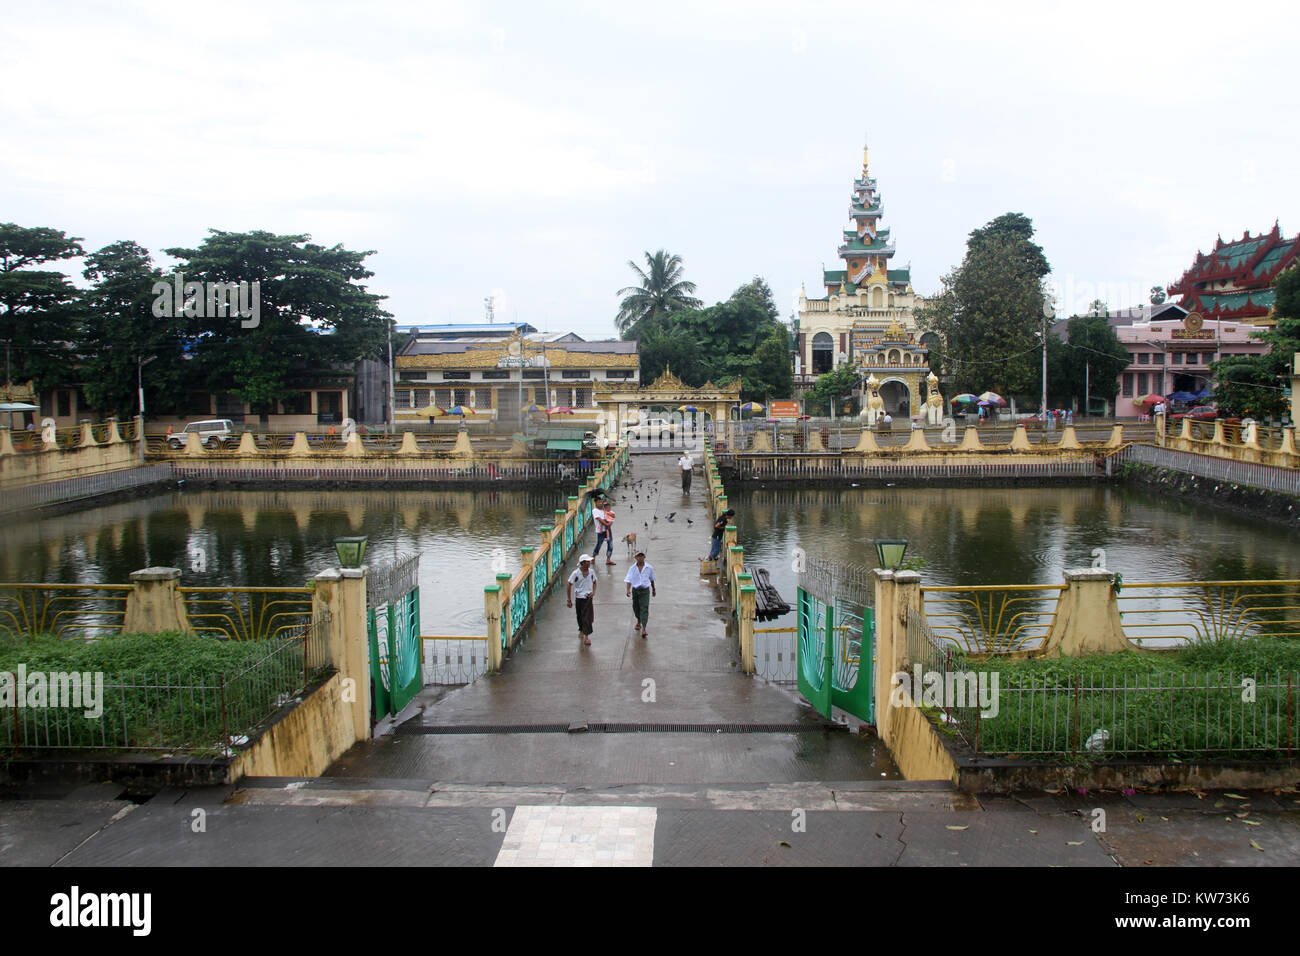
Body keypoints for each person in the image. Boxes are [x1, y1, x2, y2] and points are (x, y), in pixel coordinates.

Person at [566, 554, 598, 646]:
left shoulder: (591, 572)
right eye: (587, 561)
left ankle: (586, 636)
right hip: (579, 598)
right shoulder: (576, 573)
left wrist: (594, 592)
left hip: (588, 598)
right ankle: (581, 629)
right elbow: (569, 584)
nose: (589, 563)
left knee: (587, 617)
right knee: (580, 616)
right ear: (583, 563)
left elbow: (595, 582)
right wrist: (569, 599)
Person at [624, 550, 656, 638]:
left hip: (645, 591)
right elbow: (628, 579)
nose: (640, 558)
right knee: (636, 607)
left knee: (644, 608)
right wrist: (628, 590)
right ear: (635, 558)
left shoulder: (649, 568)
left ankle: (644, 628)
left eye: (642, 556)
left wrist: (653, 589)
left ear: (644, 557)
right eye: (638, 556)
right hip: (636, 590)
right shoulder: (632, 568)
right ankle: (638, 620)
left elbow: (652, 579)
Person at [591, 495, 616, 565]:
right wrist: (606, 524)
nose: (600, 504)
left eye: (601, 502)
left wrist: (610, 523)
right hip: (600, 531)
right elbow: (599, 519)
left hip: (608, 529)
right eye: (598, 502)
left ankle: (608, 559)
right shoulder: (595, 510)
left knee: (610, 544)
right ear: (595, 503)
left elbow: (611, 515)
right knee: (599, 544)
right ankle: (593, 557)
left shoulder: (604, 510)